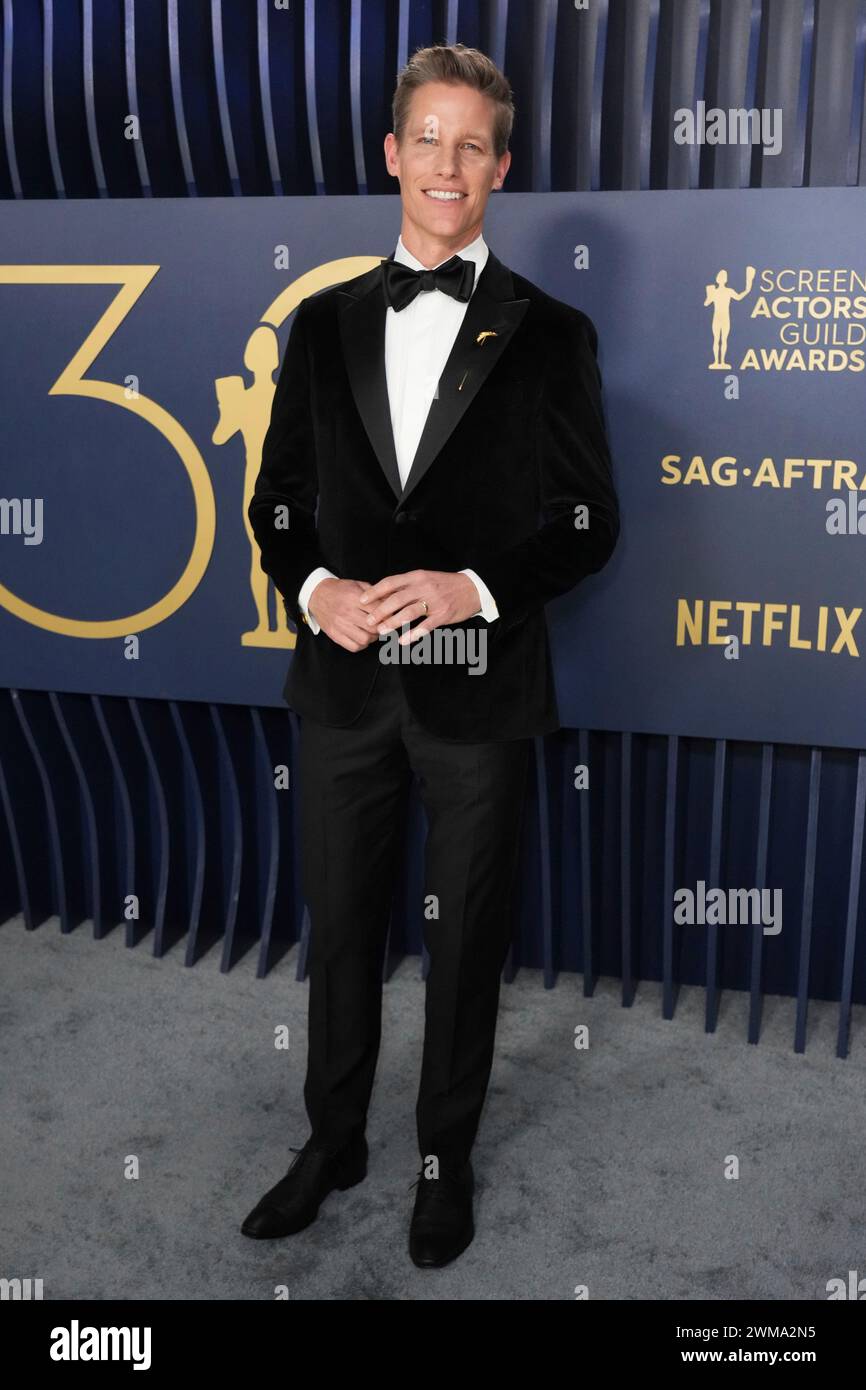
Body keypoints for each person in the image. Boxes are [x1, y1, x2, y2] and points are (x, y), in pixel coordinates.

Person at [242, 41, 619, 1268]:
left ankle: (441, 1159)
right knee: (340, 924)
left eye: (473, 144)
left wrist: (470, 584)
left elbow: (584, 521)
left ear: (498, 167)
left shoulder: (551, 334)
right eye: (428, 138)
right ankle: (330, 1138)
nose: (446, 164)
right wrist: (313, 587)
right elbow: (279, 500)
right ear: (392, 151)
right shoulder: (323, 321)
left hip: (479, 694)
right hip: (343, 687)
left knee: (463, 940)